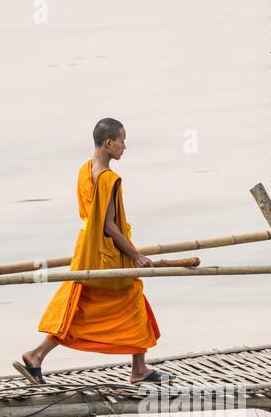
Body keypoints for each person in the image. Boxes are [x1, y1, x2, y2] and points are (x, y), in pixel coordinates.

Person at [14, 118, 171, 386]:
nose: (124, 147)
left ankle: (37, 355)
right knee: (131, 297)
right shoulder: (109, 178)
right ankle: (138, 370)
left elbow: (92, 218)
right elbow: (109, 226)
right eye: (122, 141)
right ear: (108, 143)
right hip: (105, 250)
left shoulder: (85, 170)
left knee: (79, 304)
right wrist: (136, 256)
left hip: (85, 247)